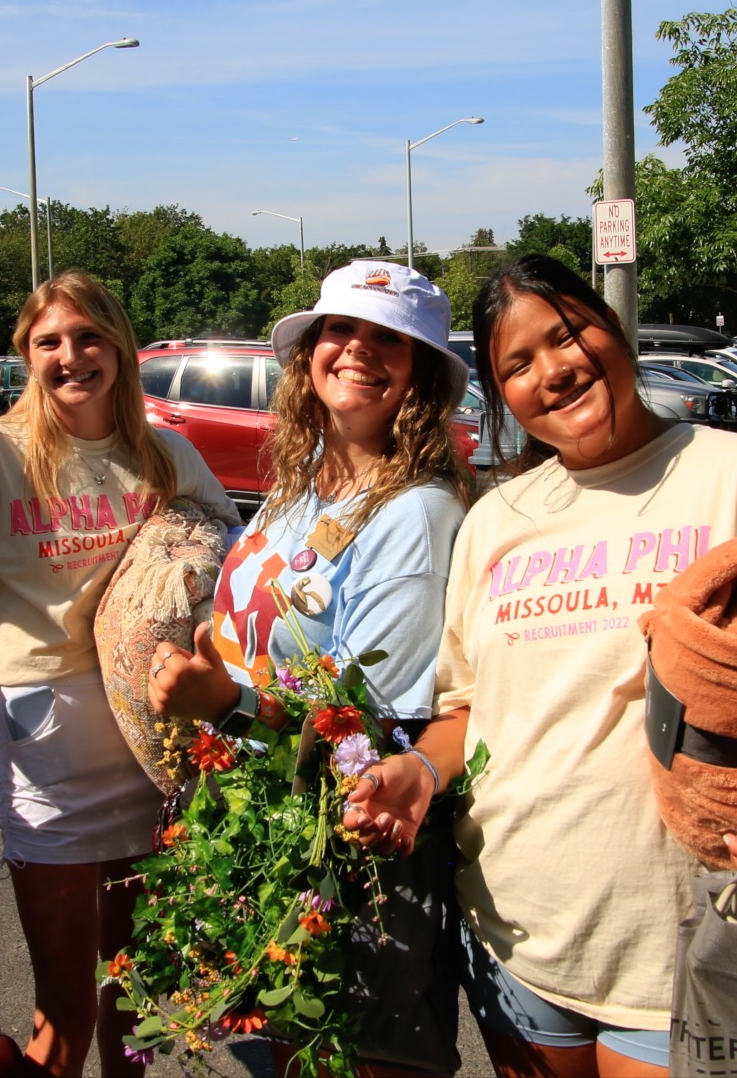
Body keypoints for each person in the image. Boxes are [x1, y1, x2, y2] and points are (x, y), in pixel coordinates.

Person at [348, 255, 737, 1078]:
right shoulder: (497, 519)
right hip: (519, 931)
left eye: (568, 333)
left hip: (693, 933)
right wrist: (416, 771)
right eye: (517, 363)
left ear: (612, 327)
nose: (554, 370)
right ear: (501, 392)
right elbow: (470, 708)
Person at [0, 270, 238, 1077]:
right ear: (26, 356)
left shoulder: (163, 452)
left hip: (153, 732)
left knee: (137, 993)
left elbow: (231, 566)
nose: (71, 356)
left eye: (89, 337)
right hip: (46, 731)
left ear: (120, 346)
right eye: (49, 343)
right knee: (66, 1004)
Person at [147, 259, 474, 1075]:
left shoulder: (415, 515)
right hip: (259, 833)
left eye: (390, 340)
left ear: (422, 374)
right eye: (343, 329)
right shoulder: (300, 492)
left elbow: (380, 742)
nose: (360, 350)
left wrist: (224, 705)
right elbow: (253, 639)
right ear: (310, 353)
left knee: (360, 1059)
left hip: (351, 860)